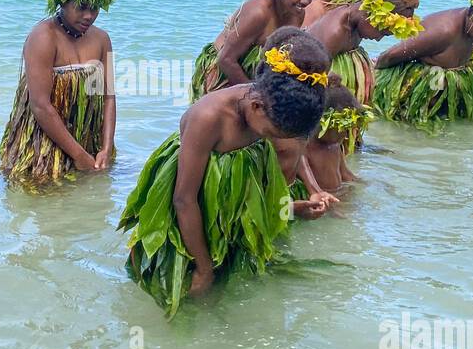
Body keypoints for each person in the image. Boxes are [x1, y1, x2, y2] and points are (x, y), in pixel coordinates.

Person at [119, 27, 330, 315]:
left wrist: (292, 208)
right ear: (257, 106)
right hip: (193, 207)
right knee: (188, 297)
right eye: (274, 133)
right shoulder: (210, 118)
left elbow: (262, 188)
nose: (276, 139)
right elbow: (184, 199)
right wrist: (204, 269)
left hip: (233, 205)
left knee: (237, 285)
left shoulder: (272, 111)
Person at [0, 0, 118, 186]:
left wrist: (105, 148)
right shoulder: (43, 38)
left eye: (94, 8)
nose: (89, 16)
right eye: (81, 7)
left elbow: (109, 96)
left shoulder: (102, 39)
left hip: (89, 143)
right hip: (45, 146)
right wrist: (79, 156)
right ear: (61, 2)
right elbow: (40, 105)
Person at [372, 0, 473, 128]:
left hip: (446, 91)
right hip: (424, 95)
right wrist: (375, 71)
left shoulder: (472, 29)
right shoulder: (443, 31)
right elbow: (393, 55)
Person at [306, 0, 421, 145]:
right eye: (382, 31)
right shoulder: (335, 33)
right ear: (370, 15)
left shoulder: (356, 19)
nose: (379, 38)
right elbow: (311, 84)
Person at [188, 0, 324, 99]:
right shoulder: (258, 13)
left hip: (253, 74)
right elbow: (225, 59)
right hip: (224, 70)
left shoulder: (297, 13)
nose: (305, 2)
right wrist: (257, 95)